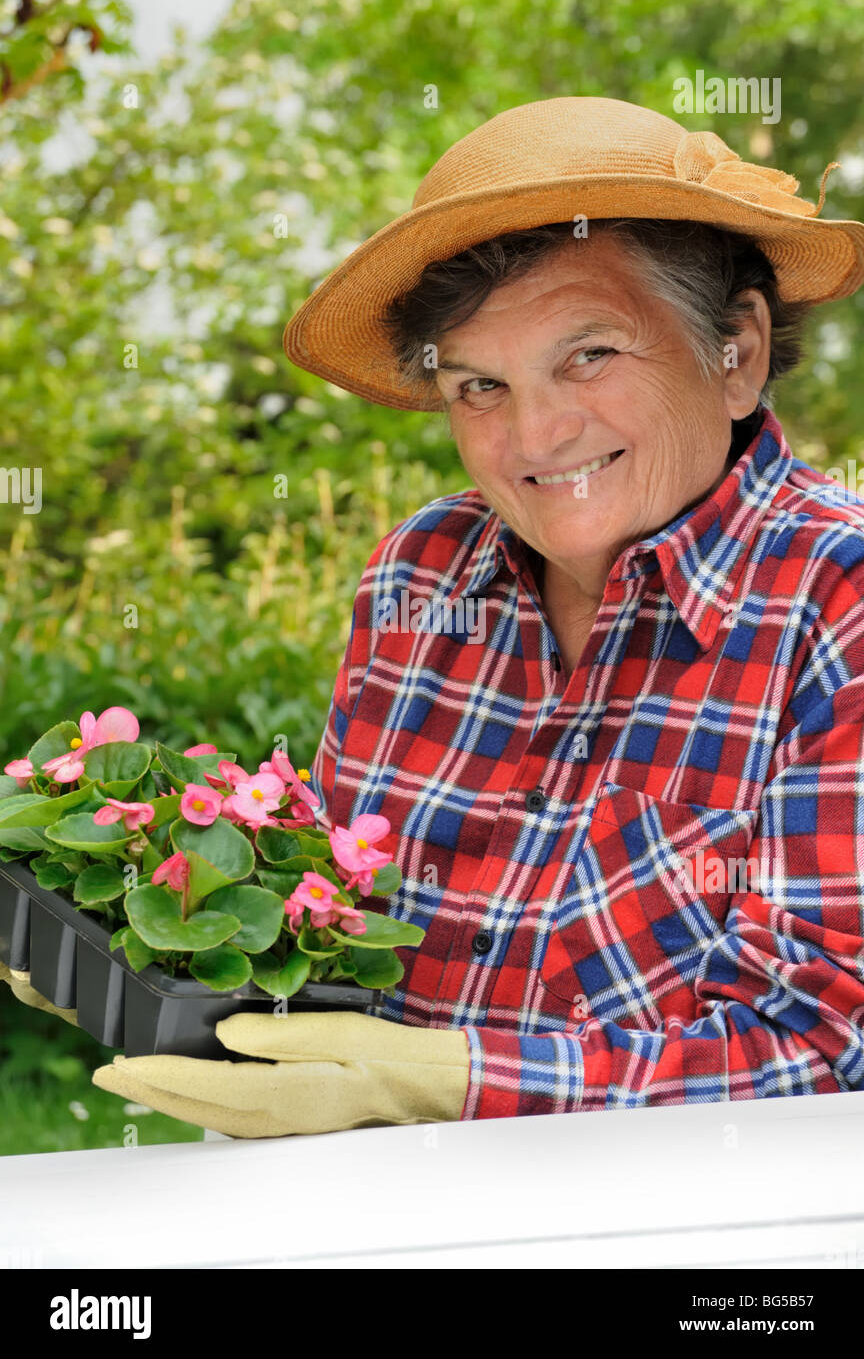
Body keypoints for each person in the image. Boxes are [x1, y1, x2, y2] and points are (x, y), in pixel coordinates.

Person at [10, 95, 864, 1135]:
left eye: (589, 354)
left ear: (735, 349)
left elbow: (822, 1054)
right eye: (478, 385)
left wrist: (437, 1081)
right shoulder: (421, 576)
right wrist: (147, 944)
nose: (535, 434)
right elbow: (333, 934)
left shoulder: (839, 604)